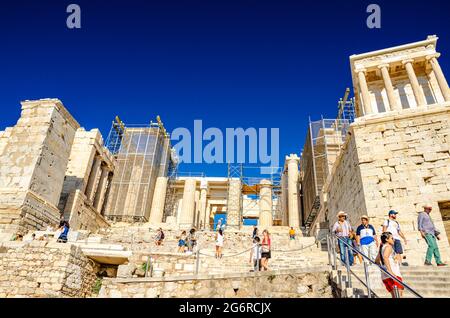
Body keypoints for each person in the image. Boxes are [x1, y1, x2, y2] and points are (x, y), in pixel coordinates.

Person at [378, 232, 404, 298]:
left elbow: (377, 260)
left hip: (385, 275)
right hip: (393, 273)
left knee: (394, 296)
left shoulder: (381, 248)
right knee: (399, 294)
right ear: (387, 239)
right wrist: (390, 271)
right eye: (392, 238)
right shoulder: (388, 247)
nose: (394, 240)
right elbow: (385, 257)